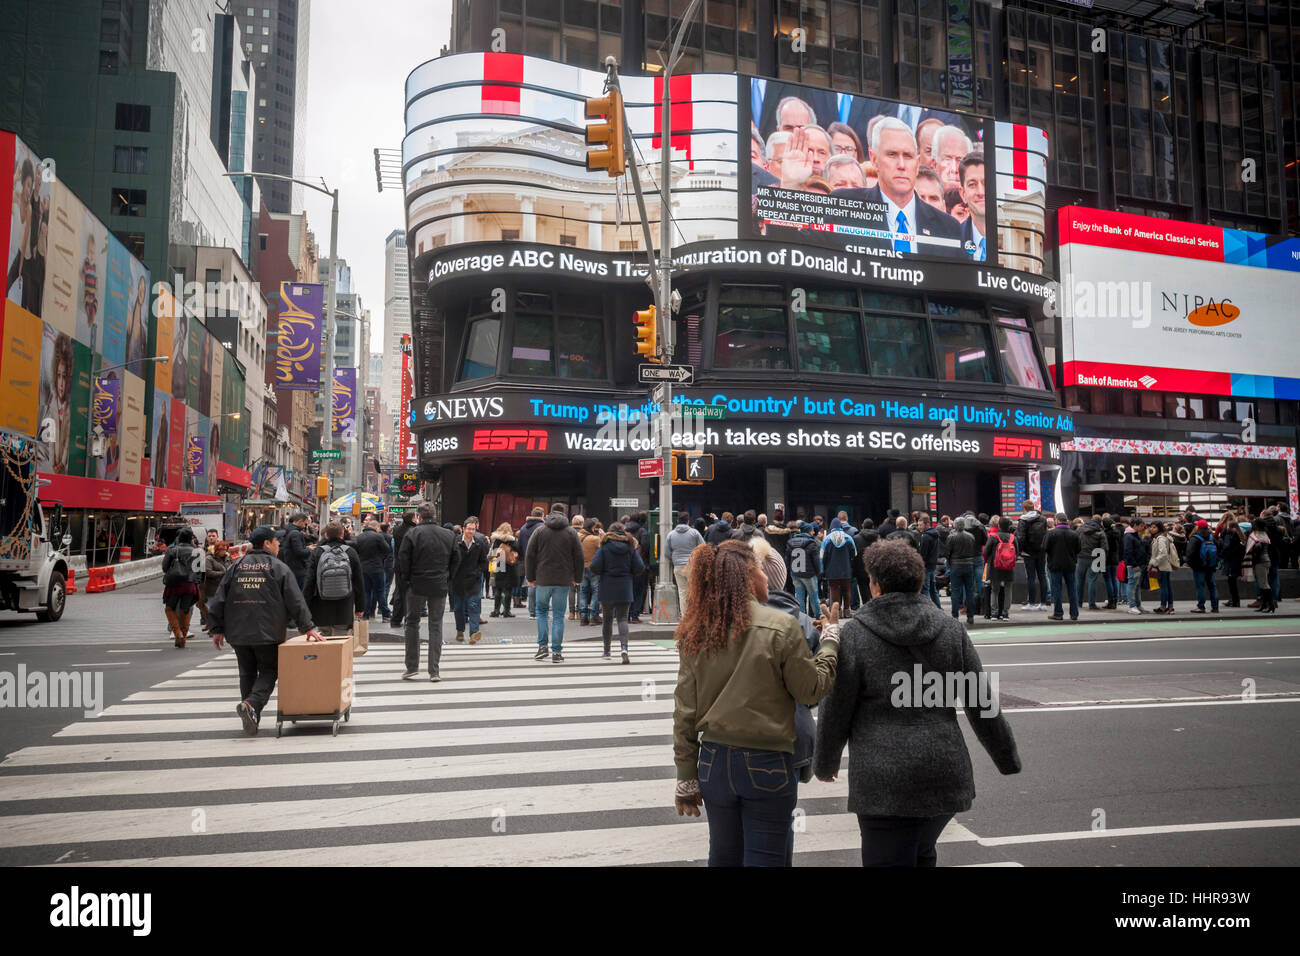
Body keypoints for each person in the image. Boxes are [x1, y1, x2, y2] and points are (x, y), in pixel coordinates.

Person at [813, 539, 1021, 867]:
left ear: (876, 584)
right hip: (944, 771)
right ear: (920, 581)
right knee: (923, 851)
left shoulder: (855, 635)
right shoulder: (951, 630)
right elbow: (981, 703)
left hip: (884, 780)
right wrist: (1006, 757)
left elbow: (836, 707)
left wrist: (825, 762)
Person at [672, 541, 840, 867]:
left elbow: (685, 712)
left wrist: (685, 777)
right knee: (767, 858)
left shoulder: (697, 629)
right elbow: (811, 691)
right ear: (748, 577)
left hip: (713, 762)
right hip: (767, 761)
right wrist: (831, 642)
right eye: (761, 570)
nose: (767, 577)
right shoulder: (781, 626)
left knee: (723, 856)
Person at [209, 526, 322, 736]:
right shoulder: (278, 567)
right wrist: (308, 627)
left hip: (238, 632)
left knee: (247, 672)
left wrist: (217, 628)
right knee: (270, 670)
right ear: (268, 543)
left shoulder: (236, 566)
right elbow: (295, 600)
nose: (279, 545)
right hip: (268, 631)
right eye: (276, 541)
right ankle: (251, 704)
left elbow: (219, 599)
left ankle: (251, 715)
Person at [397, 503, 460, 682]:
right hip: (439, 584)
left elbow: (403, 559)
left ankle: (411, 666)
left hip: (416, 584)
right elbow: (456, 558)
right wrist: (448, 577)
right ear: (434, 515)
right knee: (435, 624)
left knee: (412, 622)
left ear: (419, 516)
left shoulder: (412, 534)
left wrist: (407, 579)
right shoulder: (448, 535)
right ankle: (434, 670)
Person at [525, 503, 585, 663]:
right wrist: (578, 577)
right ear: (564, 513)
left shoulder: (540, 531)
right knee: (559, 615)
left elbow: (529, 555)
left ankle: (542, 647)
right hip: (563, 580)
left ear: (550, 512)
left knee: (542, 612)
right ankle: (557, 652)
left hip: (542, 579)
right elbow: (579, 556)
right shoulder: (571, 532)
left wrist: (530, 577)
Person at [590, 522, 645, 663]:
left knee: (607, 620)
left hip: (607, 586)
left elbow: (594, 567)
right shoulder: (630, 547)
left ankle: (607, 651)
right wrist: (629, 573)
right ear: (623, 531)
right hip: (625, 586)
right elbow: (639, 567)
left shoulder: (604, 547)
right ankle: (624, 648)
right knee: (622, 618)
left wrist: (603, 572)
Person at [302, 521, 364, 636]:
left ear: (326, 535)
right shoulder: (350, 552)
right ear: (342, 534)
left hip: (321, 605)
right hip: (344, 605)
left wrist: (305, 605)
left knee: (324, 639)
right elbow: (358, 581)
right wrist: (360, 607)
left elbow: (310, 581)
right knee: (341, 639)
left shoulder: (318, 552)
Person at [162, 529, 204, 648]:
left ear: (179, 538)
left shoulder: (172, 550)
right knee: (185, 610)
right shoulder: (196, 551)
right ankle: (183, 639)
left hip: (174, 583)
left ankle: (177, 632)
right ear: (191, 539)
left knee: (170, 608)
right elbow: (199, 570)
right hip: (190, 584)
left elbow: (165, 567)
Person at [450, 516, 489, 644]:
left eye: (473, 529)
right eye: (469, 529)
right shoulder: (455, 542)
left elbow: (484, 561)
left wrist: (478, 572)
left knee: (474, 606)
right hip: (458, 581)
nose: (471, 531)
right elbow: (449, 560)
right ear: (463, 529)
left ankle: (474, 633)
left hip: (474, 580)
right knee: (459, 608)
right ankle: (460, 631)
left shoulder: (479, 542)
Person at [353, 514, 392, 621]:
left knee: (366, 591)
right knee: (380, 591)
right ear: (376, 527)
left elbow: (356, 551)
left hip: (363, 568)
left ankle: (365, 615)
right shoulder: (378, 536)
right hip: (377, 567)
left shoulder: (359, 537)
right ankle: (386, 614)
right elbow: (387, 549)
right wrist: (380, 557)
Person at [665, 511, 704, 614]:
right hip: (692, 566)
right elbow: (703, 547)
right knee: (694, 591)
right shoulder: (694, 533)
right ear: (688, 521)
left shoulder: (671, 534)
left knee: (682, 592)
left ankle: (685, 617)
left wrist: (675, 560)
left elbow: (666, 552)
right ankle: (694, 616)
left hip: (678, 567)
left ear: (677, 521)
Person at [1044, 512, 1081, 621]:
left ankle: (1058, 613)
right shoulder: (1074, 534)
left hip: (1055, 564)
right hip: (1070, 565)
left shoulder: (1051, 534)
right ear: (1066, 520)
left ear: (1057, 521)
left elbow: (1044, 548)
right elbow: (1078, 549)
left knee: (1056, 589)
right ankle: (1074, 614)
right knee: (1072, 589)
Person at [943, 516, 978, 626]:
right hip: (969, 566)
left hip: (956, 566)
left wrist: (950, 562)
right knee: (969, 591)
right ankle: (970, 616)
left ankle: (955, 616)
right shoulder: (971, 536)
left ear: (955, 525)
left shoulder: (951, 537)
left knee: (955, 591)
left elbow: (947, 553)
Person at [1015, 500, 1049, 611]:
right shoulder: (1043, 519)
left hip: (1028, 552)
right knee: (1042, 576)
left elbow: (1020, 538)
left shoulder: (1023, 520)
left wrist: (1019, 551)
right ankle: (1043, 603)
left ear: (1024, 508)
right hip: (1041, 551)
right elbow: (1046, 534)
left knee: (1031, 577)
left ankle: (1031, 603)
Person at [820, 518, 857, 611]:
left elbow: (822, 557)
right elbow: (854, 554)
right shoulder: (848, 538)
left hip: (831, 571)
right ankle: (847, 610)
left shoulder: (827, 539)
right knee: (846, 589)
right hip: (846, 569)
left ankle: (837, 611)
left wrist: (823, 571)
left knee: (834, 589)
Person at [389, 510, 417, 629]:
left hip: (398, 565)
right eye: (416, 517)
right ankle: (408, 619)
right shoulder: (414, 531)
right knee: (410, 594)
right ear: (412, 519)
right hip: (410, 566)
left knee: (399, 592)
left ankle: (396, 619)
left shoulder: (397, 530)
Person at [1185, 519, 1220, 614]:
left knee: (1200, 586)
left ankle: (1201, 607)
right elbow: (1219, 549)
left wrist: (1191, 564)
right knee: (1212, 586)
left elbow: (1190, 553)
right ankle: (1215, 607)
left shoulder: (1195, 538)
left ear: (1198, 527)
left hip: (1198, 567)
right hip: (1211, 566)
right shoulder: (1211, 537)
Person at [516, 507, 545, 616]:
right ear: (541, 515)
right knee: (540, 585)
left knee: (531, 584)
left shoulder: (523, 528)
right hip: (540, 560)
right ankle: (538, 610)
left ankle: (532, 611)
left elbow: (519, 546)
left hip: (526, 560)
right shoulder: (542, 527)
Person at [1149, 521, 1181, 614]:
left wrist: (1154, 562)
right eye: (1151, 527)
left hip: (1161, 566)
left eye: (1154, 527)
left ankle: (1163, 606)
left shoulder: (1160, 538)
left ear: (1159, 528)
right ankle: (1170, 606)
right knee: (1167, 586)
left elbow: (1163, 553)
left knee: (1164, 587)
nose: (1151, 529)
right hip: (1165, 565)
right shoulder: (1164, 537)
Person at [489, 523, 520, 619]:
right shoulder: (513, 540)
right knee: (508, 589)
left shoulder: (496, 540)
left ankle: (496, 610)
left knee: (498, 588)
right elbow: (518, 550)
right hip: (510, 565)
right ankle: (507, 611)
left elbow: (493, 553)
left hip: (499, 564)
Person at [1076, 515, 1107, 611]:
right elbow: (1104, 549)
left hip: (1080, 558)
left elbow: (1074, 543)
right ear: (1099, 522)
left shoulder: (1079, 529)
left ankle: (1078, 603)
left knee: (1079, 581)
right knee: (1092, 581)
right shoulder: (1100, 532)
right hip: (1095, 558)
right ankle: (1092, 604)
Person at [200, 539, 231, 632]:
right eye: (222, 550)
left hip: (225, 588)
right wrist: (222, 573)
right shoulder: (209, 559)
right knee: (213, 609)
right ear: (217, 550)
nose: (224, 551)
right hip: (212, 588)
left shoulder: (227, 558)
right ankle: (213, 628)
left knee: (223, 610)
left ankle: (215, 626)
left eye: (226, 549)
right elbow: (208, 572)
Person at [1216, 513, 1246, 608]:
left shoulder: (1228, 533)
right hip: (1238, 560)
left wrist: (1221, 555)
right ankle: (1235, 600)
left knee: (1231, 581)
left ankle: (1235, 601)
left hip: (1230, 559)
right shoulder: (1240, 533)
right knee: (1232, 581)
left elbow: (1226, 546)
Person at [1246, 520, 1275, 613]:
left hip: (1260, 562)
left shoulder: (1258, 536)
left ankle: (1270, 605)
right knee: (1263, 584)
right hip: (1265, 561)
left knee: (1264, 584)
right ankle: (1265, 605)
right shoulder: (1264, 534)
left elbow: (1257, 550)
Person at [1122, 519, 1150, 614]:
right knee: (1132, 585)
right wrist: (1134, 564)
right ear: (1135, 525)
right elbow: (1128, 551)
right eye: (1141, 526)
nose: (1143, 528)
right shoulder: (1129, 536)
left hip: (1138, 564)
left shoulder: (1133, 535)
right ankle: (1132, 606)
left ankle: (1137, 605)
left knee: (1136, 586)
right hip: (1134, 565)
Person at [279, 513, 311, 592]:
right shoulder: (296, 533)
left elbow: (293, 548)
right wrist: (309, 550)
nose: (305, 526)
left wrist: (306, 548)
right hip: (298, 569)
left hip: (291, 567)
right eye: (305, 523)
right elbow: (299, 552)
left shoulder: (287, 531)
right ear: (300, 521)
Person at [917, 515, 941, 607]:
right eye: (918, 525)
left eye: (920, 525)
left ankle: (927, 609)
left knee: (925, 589)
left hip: (926, 566)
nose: (919, 527)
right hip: (932, 565)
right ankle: (939, 609)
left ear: (927, 524)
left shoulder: (925, 536)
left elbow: (923, 553)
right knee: (932, 589)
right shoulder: (935, 534)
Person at [380, 522, 396, 621]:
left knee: (381, 586)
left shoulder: (378, 536)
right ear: (388, 528)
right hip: (389, 564)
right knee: (386, 586)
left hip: (380, 563)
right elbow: (392, 551)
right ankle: (383, 605)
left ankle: (380, 607)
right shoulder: (390, 538)